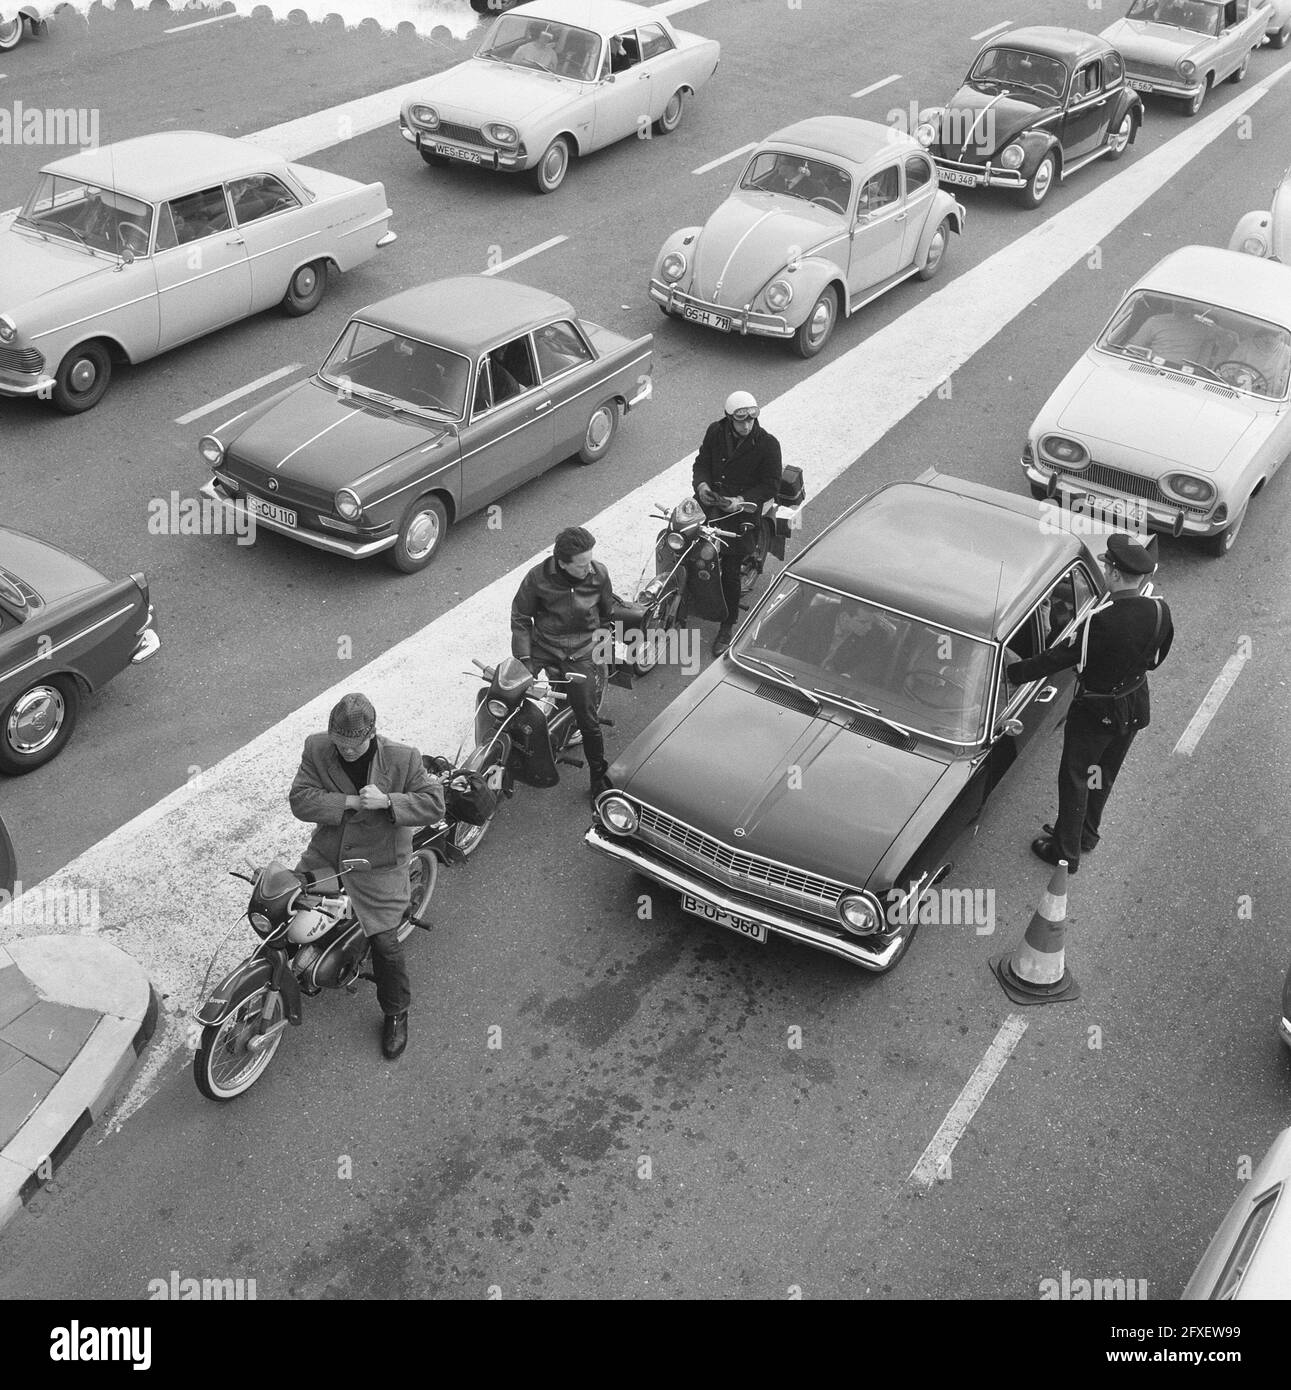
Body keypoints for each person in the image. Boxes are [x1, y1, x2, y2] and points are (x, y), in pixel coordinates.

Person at [1006, 533, 1173, 875]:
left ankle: (1065, 853)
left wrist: (1015, 672)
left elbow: (1061, 657)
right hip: (1134, 703)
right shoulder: (1159, 609)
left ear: (1113, 573)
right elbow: (1156, 658)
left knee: (1075, 777)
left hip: (1097, 711)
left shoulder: (1102, 619)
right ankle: (1085, 834)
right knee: (1102, 773)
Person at [289, 693, 445, 1060]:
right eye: (339, 745)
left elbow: (435, 803)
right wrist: (350, 803)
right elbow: (300, 800)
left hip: (379, 863)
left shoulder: (402, 758)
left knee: (386, 946)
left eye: (353, 747)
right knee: (287, 910)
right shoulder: (317, 747)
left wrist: (390, 802)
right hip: (329, 852)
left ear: (371, 734)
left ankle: (396, 1012)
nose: (345, 752)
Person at [511, 526, 616, 804]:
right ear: (562, 563)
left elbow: (607, 616)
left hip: (581, 649)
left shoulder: (599, 573)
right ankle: (511, 750)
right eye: (582, 566)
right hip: (543, 646)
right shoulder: (536, 578)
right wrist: (523, 660)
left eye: (590, 561)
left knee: (588, 718)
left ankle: (598, 776)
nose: (589, 569)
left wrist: (599, 648)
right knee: (508, 691)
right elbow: (521, 618)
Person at [692, 390, 783, 655]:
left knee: (730, 570)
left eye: (751, 419)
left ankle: (727, 625)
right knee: (683, 540)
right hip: (711, 501)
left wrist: (741, 500)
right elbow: (702, 462)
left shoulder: (768, 444)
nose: (747, 425)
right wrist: (702, 485)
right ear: (729, 418)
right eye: (741, 420)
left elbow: (771, 484)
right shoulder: (714, 432)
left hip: (741, 511)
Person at [1127, 305, 1216, 368]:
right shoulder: (1155, 321)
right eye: (1178, 301)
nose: (1180, 304)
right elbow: (1132, 348)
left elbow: (1226, 339)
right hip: (1153, 367)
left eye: (1185, 302)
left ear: (1192, 305)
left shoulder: (1203, 327)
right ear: (1172, 302)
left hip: (1186, 374)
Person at [1229, 323, 1291, 396]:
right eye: (1267, 334)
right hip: (1237, 388)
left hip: (1268, 397)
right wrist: (1235, 377)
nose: (1269, 338)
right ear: (1263, 333)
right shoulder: (1247, 345)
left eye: (1274, 335)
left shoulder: (1286, 352)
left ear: (1281, 335)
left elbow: (1286, 382)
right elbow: (1229, 367)